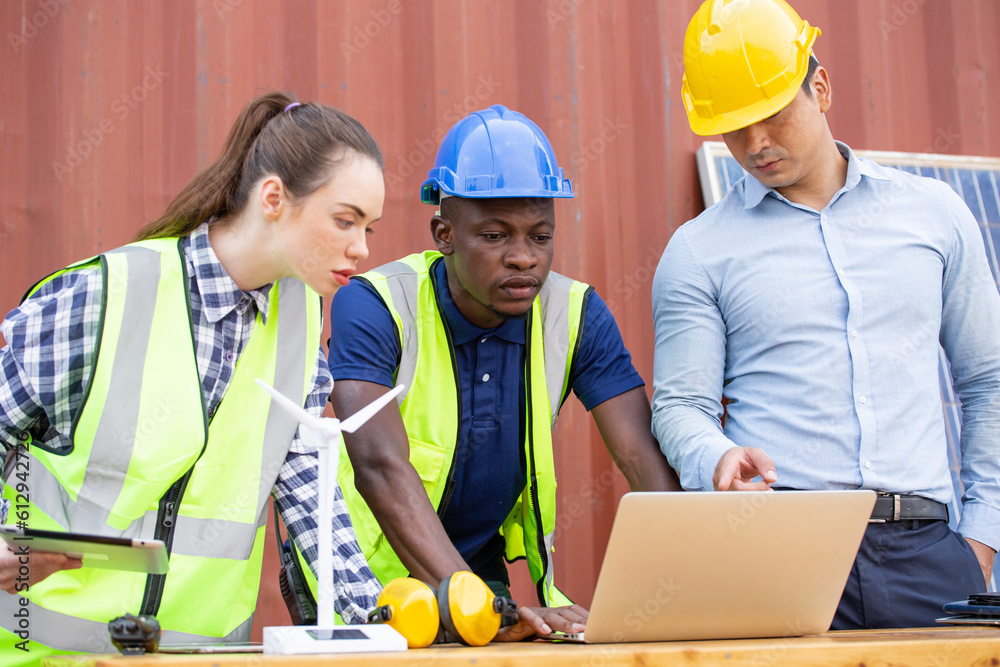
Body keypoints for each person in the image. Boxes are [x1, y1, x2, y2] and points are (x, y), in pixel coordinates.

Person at [0, 92, 386, 664]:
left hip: (196, 658)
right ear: (273, 198)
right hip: (43, 654)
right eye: (345, 220)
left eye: (369, 227)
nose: (361, 248)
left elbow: (311, 493)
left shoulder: (300, 324)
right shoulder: (107, 295)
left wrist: (382, 623)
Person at [653, 0, 1000, 629]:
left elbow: (989, 379)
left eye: (772, 115)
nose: (756, 144)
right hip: (779, 554)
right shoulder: (697, 252)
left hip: (931, 551)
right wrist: (714, 458)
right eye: (734, 127)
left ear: (822, 87)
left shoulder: (936, 215)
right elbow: (681, 407)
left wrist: (982, 537)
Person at [328, 104, 681, 641]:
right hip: (362, 583)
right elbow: (379, 464)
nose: (523, 258)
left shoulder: (575, 314)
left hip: (477, 574)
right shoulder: (376, 305)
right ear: (444, 234)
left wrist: (684, 588)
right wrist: (482, 609)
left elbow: (640, 457)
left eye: (540, 237)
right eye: (495, 236)